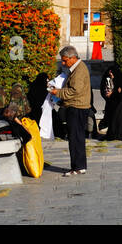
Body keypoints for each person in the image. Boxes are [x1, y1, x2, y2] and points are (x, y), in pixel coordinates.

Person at [48, 46, 91, 176]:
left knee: (75, 138)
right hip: (77, 106)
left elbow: (74, 91)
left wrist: (57, 92)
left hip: (77, 107)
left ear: (73, 58)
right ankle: (80, 166)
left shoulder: (79, 70)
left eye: (65, 60)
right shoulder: (76, 68)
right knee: (77, 137)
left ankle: (77, 167)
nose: (63, 63)